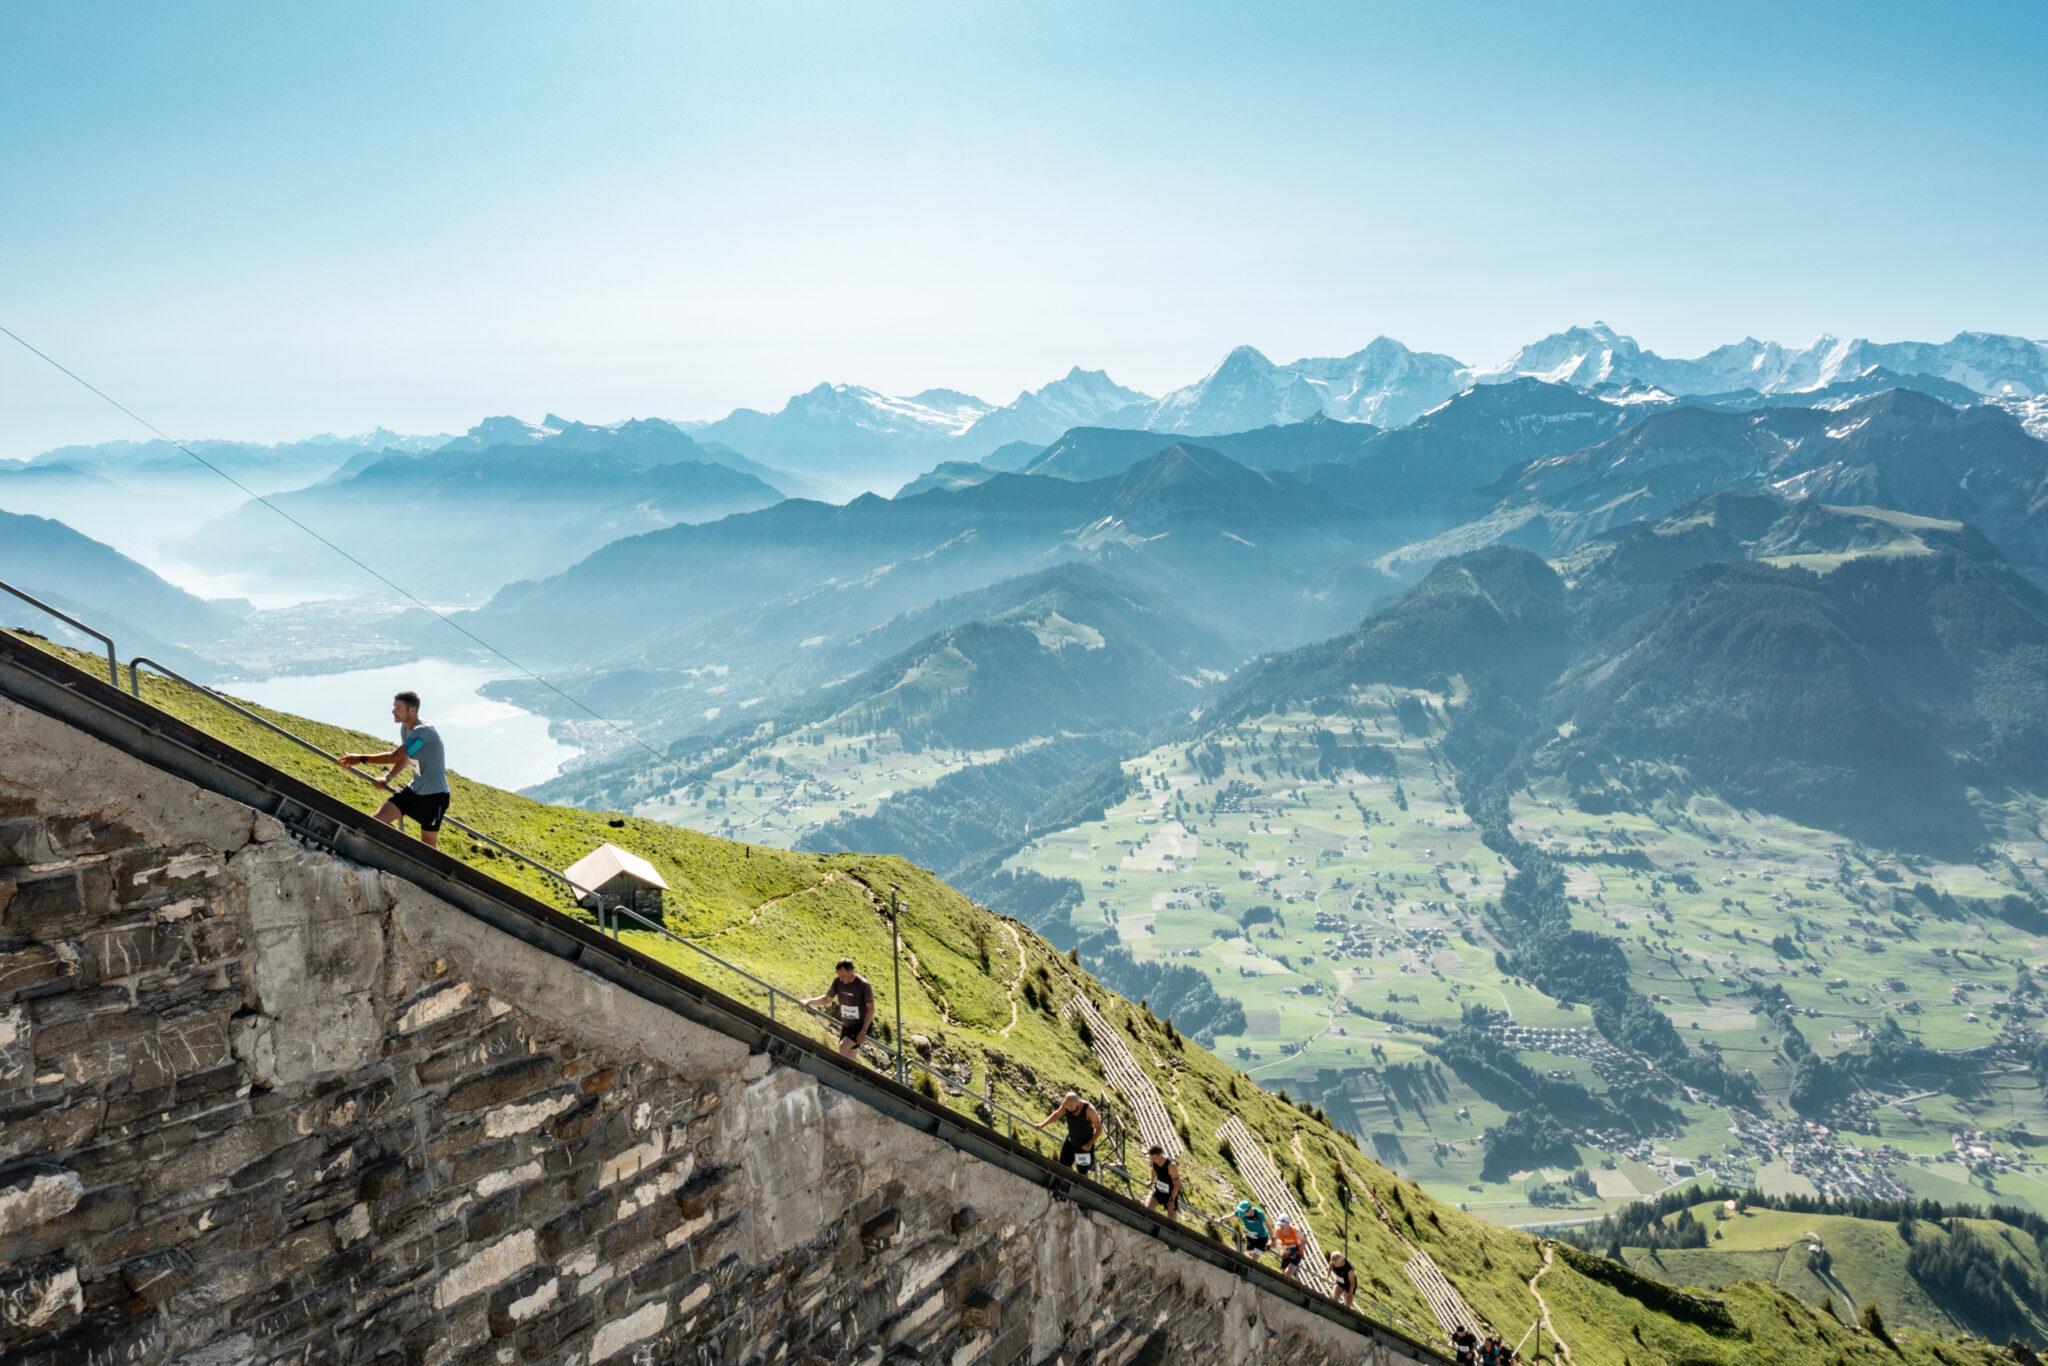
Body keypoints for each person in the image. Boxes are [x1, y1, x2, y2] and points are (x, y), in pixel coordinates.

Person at [339, 690, 449, 848]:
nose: (393, 711)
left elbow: (395, 756)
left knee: (428, 845)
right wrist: (388, 777)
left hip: (435, 797)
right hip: (414, 791)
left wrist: (361, 758)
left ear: (412, 710)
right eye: (394, 707)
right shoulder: (406, 728)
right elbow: (405, 756)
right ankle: (399, 850)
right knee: (376, 822)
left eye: (398, 708)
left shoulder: (423, 732)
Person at [802, 958, 874, 1060]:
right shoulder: (837, 982)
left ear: (851, 971)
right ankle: (852, 1074)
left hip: (861, 1025)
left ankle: (843, 1072)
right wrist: (809, 1001)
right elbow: (827, 999)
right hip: (847, 1023)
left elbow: (871, 1009)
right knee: (850, 1052)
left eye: (843, 976)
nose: (841, 979)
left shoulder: (863, 985)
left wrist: (864, 1031)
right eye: (839, 975)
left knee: (843, 1046)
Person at [1034, 1091, 1101, 1174]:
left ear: (1078, 1103)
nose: (1069, 1110)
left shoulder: (1089, 1110)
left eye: (1071, 1108)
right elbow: (1057, 1114)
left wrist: (1089, 1144)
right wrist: (1042, 1125)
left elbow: (1099, 1128)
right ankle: (1066, 1181)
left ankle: (1079, 1184)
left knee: (1082, 1173)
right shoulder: (1066, 1104)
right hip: (1071, 1141)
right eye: (1067, 1108)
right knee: (1063, 1166)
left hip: (1083, 1147)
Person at [1145, 1145, 1180, 1221]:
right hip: (1158, 1191)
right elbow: (1154, 1170)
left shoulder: (1171, 1166)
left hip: (1170, 1195)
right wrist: (1151, 1181)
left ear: (1161, 1155)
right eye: (1151, 1158)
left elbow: (1177, 1186)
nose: (1152, 1160)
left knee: (1171, 1223)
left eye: (1154, 1158)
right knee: (1147, 1208)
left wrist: (1172, 1200)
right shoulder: (1154, 1160)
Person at [1273, 1213, 1307, 1279]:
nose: (1281, 1226)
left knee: (1289, 1273)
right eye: (1280, 1224)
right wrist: (1269, 1245)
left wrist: (1297, 1249)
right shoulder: (1277, 1230)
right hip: (1286, 1252)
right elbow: (1273, 1240)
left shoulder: (1296, 1231)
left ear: (1288, 1223)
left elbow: (1305, 1241)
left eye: (1283, 1225)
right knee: (1283, 1271)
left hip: (1297, 1253)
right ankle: (1282, 1281)